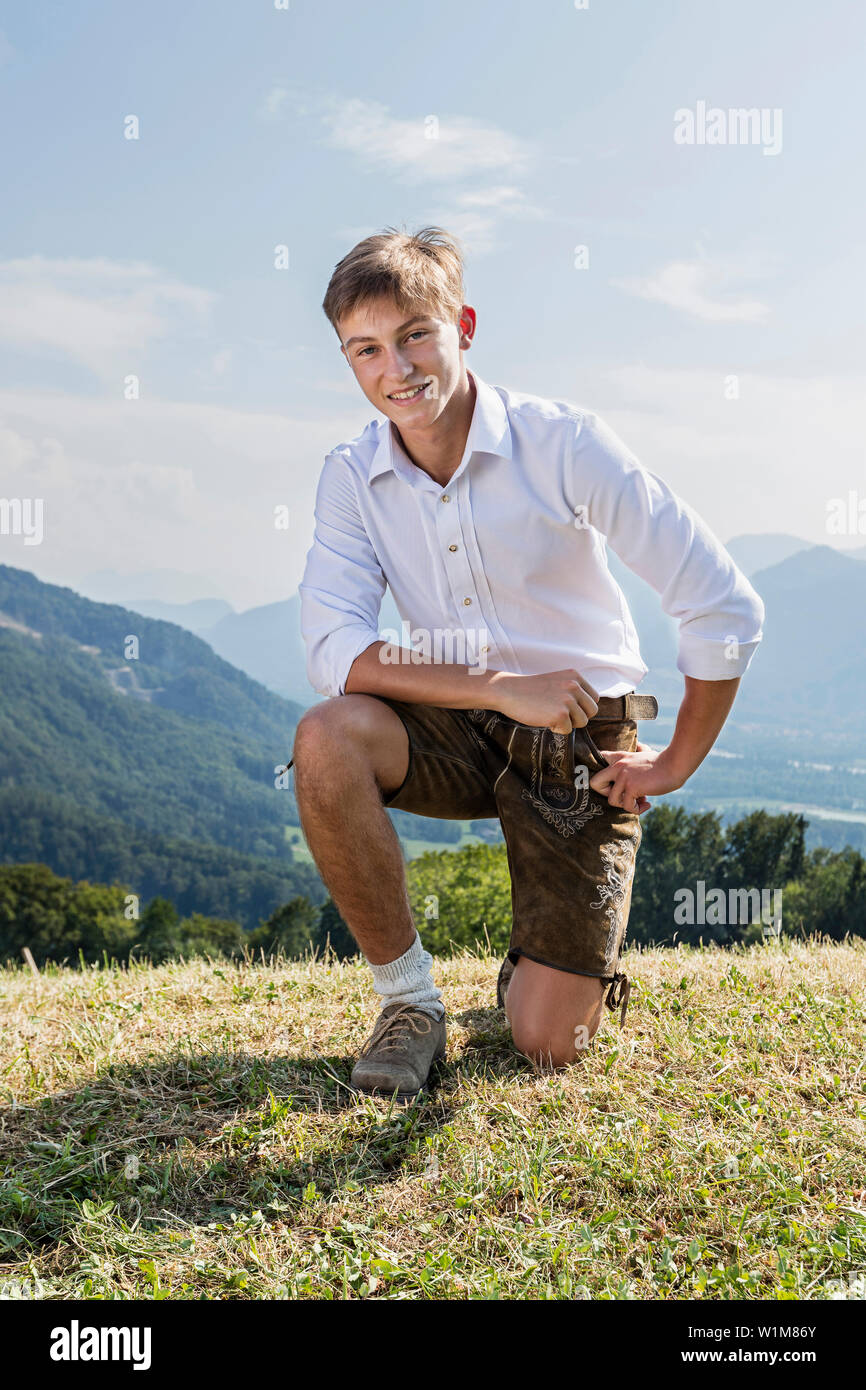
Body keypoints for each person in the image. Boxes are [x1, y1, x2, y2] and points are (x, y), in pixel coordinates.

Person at [286, 225, 764, 1095]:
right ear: (347, 359)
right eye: (366, 350)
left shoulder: (564, 442)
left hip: (583, 742)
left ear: (463, 324)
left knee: (546, 1043)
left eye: (415, 335)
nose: (396, 369)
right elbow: (334, 649)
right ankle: (409, 1003)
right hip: (462, 723)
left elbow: (723, 604)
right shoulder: (349, 475)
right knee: (326, 737)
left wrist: (677, 762)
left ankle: (542, 974)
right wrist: (501, 689)